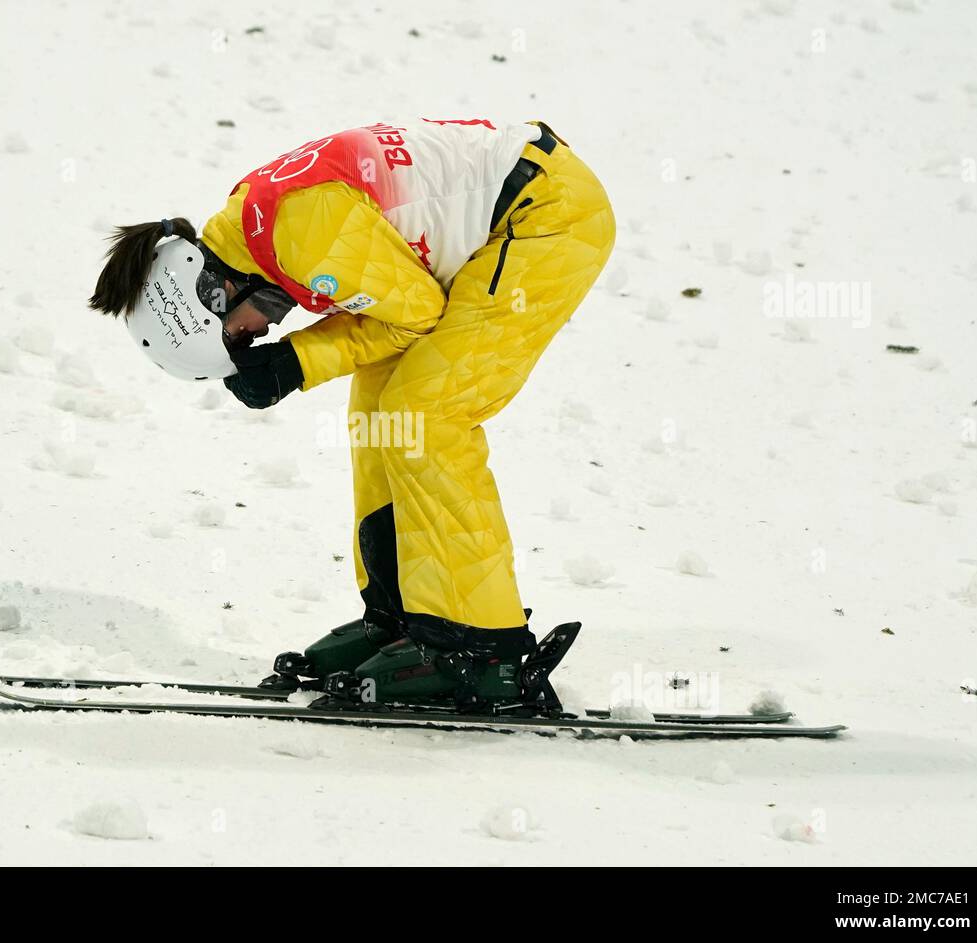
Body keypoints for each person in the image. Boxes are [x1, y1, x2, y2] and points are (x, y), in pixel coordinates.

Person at [89, 117, 614, 709]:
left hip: (546, 215)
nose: (260, 335)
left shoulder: (301, 238)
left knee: (427, 413)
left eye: (237, 339)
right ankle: (405, 616)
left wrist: (296, 362)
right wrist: (297, 358)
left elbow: (414, 313)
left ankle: (477, 646)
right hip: (505, 210)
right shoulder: (245, 227)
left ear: (214, 296)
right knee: (379, 411)